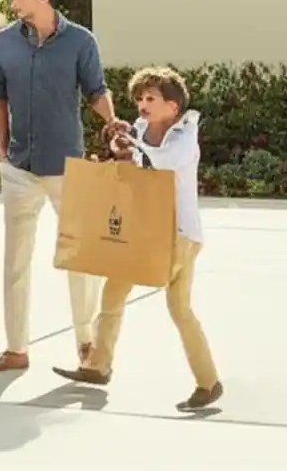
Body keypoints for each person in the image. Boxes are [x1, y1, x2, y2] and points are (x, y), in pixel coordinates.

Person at [0, 0, 124, 374]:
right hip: (19, 167)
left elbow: (96, 92)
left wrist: (111, 123)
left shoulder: (80, 42)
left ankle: (87, 344)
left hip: (67, 166)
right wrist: (2, 151)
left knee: (80, 260)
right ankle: (15, 349)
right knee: (15, 261)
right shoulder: (4, 42)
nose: (13, 1)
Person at [53, 67, 222, 410]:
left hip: (179, 236)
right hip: (145, 230)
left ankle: (208, 381)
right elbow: (134, 163)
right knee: (113, 292)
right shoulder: (142, 128)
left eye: (151, 99)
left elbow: (164, 163)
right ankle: (98, 365)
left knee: (179, 309)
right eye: (140, 98)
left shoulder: (184, 134)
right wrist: (118, 145)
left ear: (172, 107)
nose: (142, 105)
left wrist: (133, 144)